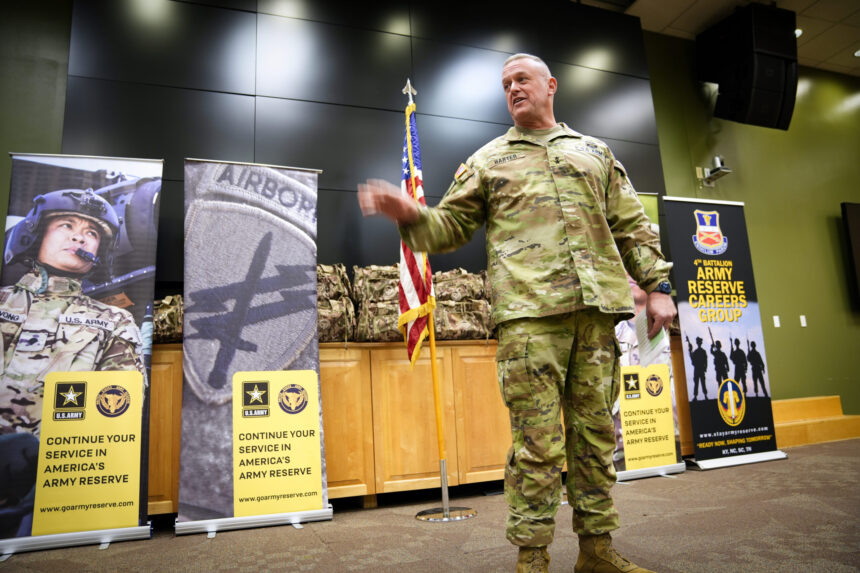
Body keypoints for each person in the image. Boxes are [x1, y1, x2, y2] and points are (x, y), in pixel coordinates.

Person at [359, 53, 675, 573]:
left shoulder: (595, 152)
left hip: (596, 318)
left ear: (550, 85)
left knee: (597, 440)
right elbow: (449, 228)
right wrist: (413, 216)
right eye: (505, 84)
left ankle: (596, 551)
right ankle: (533, 558)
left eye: (521, 79)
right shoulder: (487, 161)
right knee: (537, 446)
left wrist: (658, 287)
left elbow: (632, 225)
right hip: (529, 322)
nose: (512, 89)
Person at [0, 187, 145, 536]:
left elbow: (118, 413)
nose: (80, 235)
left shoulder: (115, 321)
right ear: (35, 234)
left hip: (51, 490)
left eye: (93, 233)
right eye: (66, 225)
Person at [686, 336, 709, 400]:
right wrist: (690, 350)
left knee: (702, 382)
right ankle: (696, 396)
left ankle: (705, 395)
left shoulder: (702, 351)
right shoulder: (697, 351)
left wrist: (705, 367)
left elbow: (705, 360)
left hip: (700, 368)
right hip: (697, 369)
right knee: (697, 383)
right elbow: (692, 358)